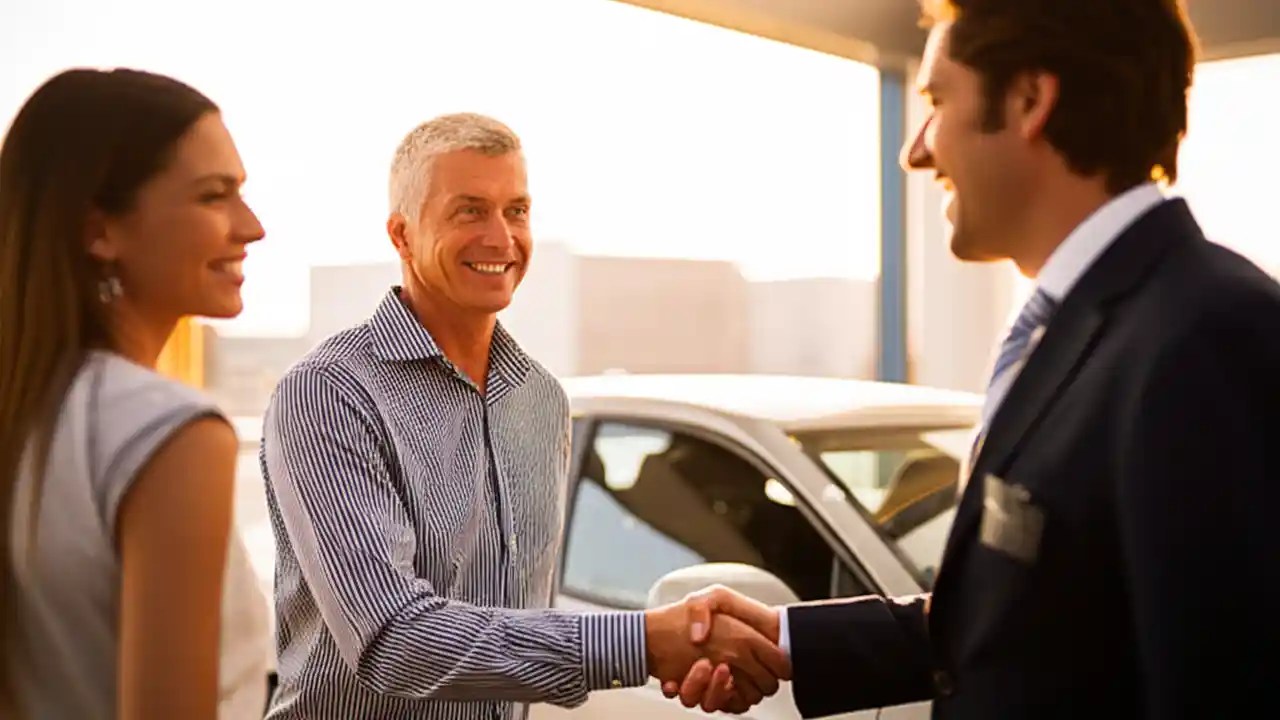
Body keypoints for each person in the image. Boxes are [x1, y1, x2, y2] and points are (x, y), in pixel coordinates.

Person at [669, 0, 1280, 717]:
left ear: (1029, 101)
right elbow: (1033, 625)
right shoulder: (1082, 328)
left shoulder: (1207, 336)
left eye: (937, 100)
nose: (917, 150)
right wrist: (788, 640)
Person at [259, 112, 788, 720]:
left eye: (516, 210)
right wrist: (645, 644)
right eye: (469, 211)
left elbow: (520, 626)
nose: (501, 238)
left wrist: (695, 656)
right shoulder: (328, 394)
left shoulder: (540, 398)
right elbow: (393, 640)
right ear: (401, 236)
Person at [0, 69, 270, 719]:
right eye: (214, 196)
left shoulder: (27, 410)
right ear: (101, 231)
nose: (252, 226)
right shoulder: (172, 433)